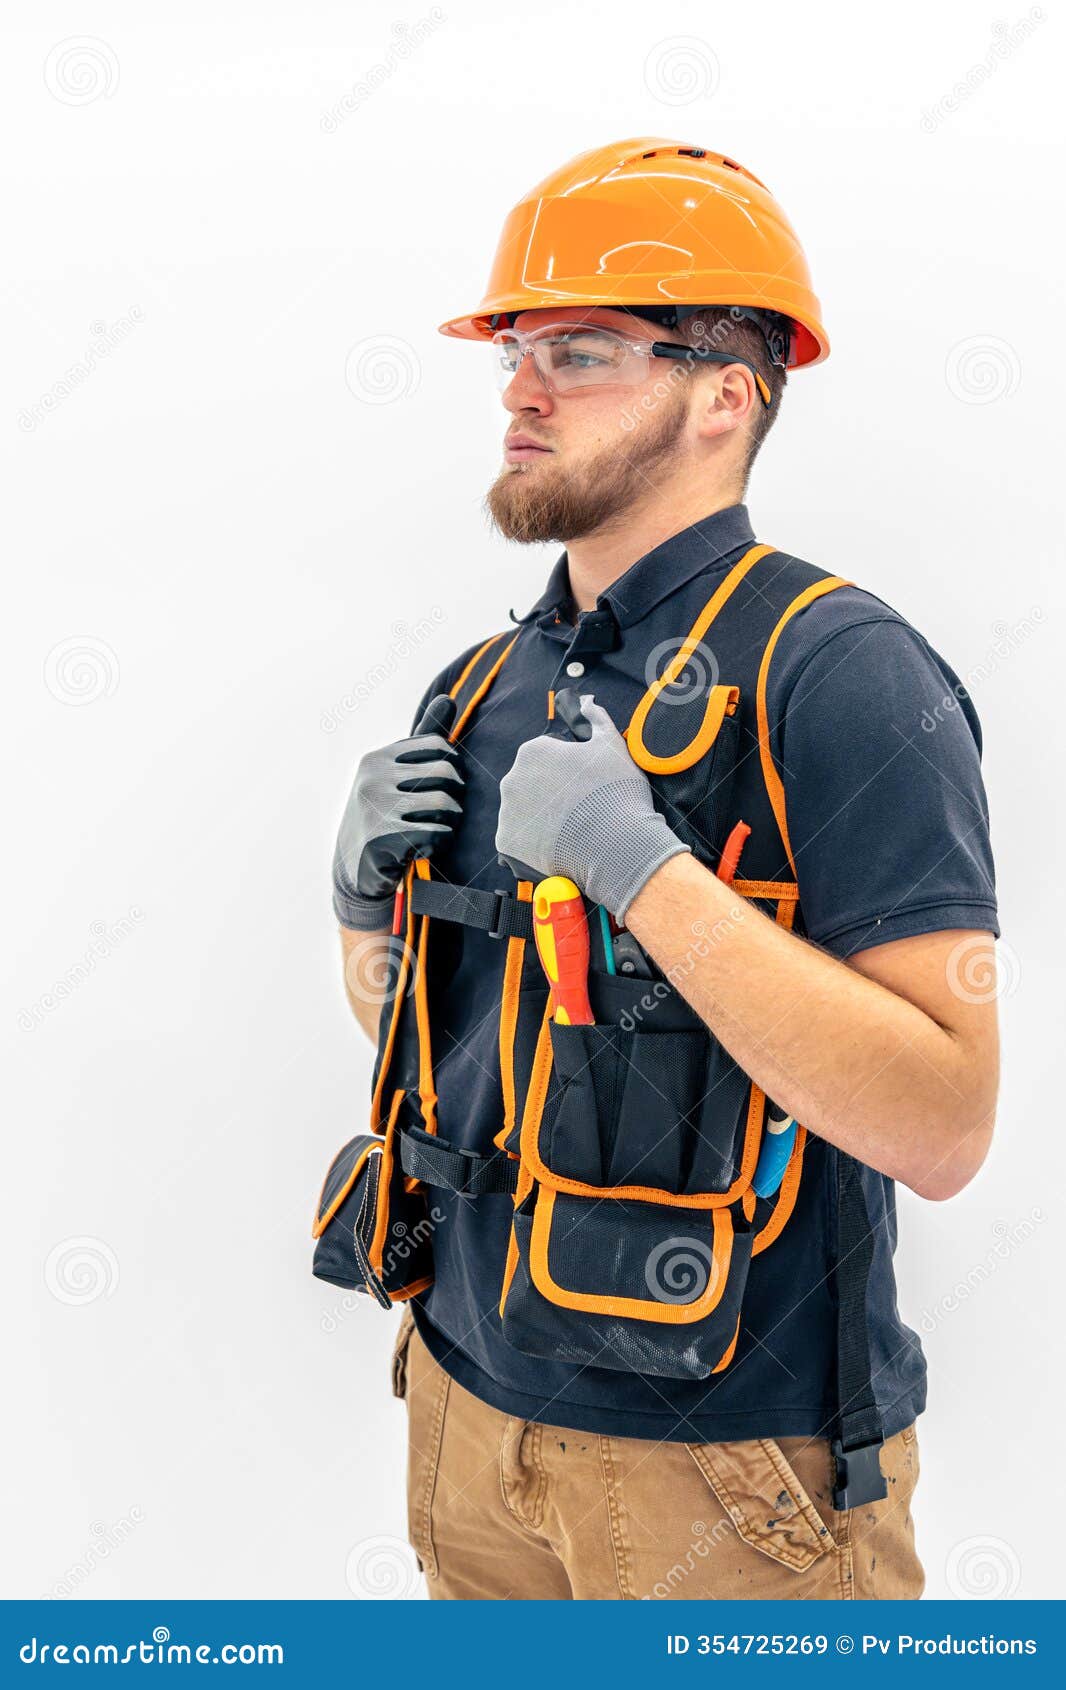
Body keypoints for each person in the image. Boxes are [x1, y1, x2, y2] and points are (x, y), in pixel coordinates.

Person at [330, 139, 999, 1600]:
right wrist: (363, 908)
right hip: (461, 1409)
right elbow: (439, 1048)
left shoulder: (838, 673)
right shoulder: (477, 689)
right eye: (514, 350)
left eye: (578, 350)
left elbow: (945, 1126)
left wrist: (645, 874)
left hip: (732, 1467)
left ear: (724, 394)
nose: (520, 389)